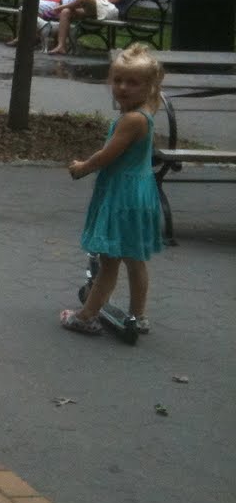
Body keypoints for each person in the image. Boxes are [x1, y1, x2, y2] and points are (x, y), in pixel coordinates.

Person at [61, 43, 163, 335]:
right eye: (117, 80)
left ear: (149, 87)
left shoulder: (132, 120)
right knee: (135, 259)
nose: (122, 87)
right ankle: (139, 315)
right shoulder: (144, 110)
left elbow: (107, 156)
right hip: (138, 191)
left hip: (121, 194)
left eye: (132, 82)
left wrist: (82, 167)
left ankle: (86, 316)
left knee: (109, 262)